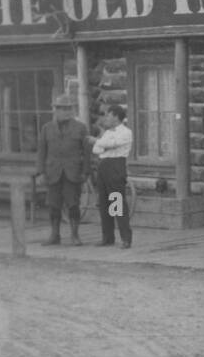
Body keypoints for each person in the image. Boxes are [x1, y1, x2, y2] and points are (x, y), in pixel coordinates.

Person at [36, 94, 91, 246]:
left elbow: (87, 152)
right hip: (53, 173)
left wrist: (86, 172)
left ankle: (75, 235)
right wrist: (40, 172)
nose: (66, 112)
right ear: (55, 110)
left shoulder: (80, 128)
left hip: (73, 173)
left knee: (73, 204)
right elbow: (41, 151)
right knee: (54, 205)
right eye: (62, 109)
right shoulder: (46, 128)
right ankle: (55, 235)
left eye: (69, 109)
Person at [91, 104, 133, 248]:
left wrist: (99, 142)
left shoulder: (126, 132)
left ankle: (125, 238)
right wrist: (102, 143)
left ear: (116, 116)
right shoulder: (108, 132)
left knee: (117, 203)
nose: (106, 118)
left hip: (116, 166)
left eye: (108, 115)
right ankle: (107, 237)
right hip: (103, 166)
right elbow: (97, 149)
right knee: (104, 203)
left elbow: (114, 144)